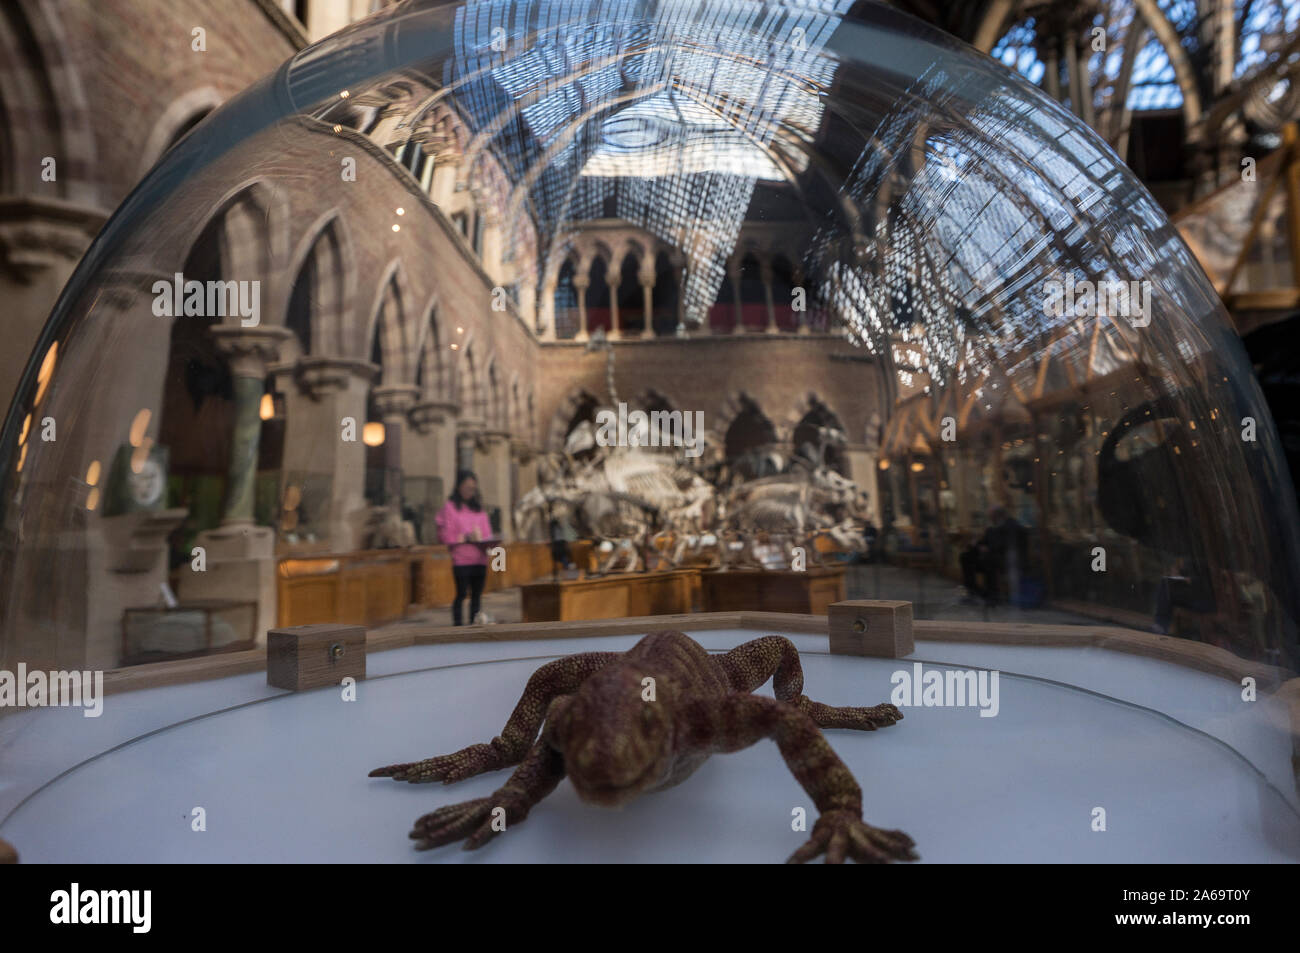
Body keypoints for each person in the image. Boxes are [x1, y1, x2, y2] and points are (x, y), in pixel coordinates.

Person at [435, 470, 493, 626]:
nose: (470, 491)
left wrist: (488, 540)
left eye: (473, 488)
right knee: (461, 595)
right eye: (467, 487)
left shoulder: (479, 509)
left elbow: (487, 534)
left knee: (476, 597)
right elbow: (445, 535)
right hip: (461, 560)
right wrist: (467, 537)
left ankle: (474, 632)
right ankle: (457, 630)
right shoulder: (450, 507)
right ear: (459, 487)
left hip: (480, 560)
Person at [960, 504, 1028, 606]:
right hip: (990, 557)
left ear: (998, 515)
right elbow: (984, 542)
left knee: (989, 561)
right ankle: (973, 591)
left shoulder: (1011, 525)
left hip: (1004, 559)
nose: (991, 519)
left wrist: (989, 549)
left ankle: (992, 595)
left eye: (991, 516)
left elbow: (1009, 544)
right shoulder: (991, 529)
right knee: (965, 557)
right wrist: (975, 546)